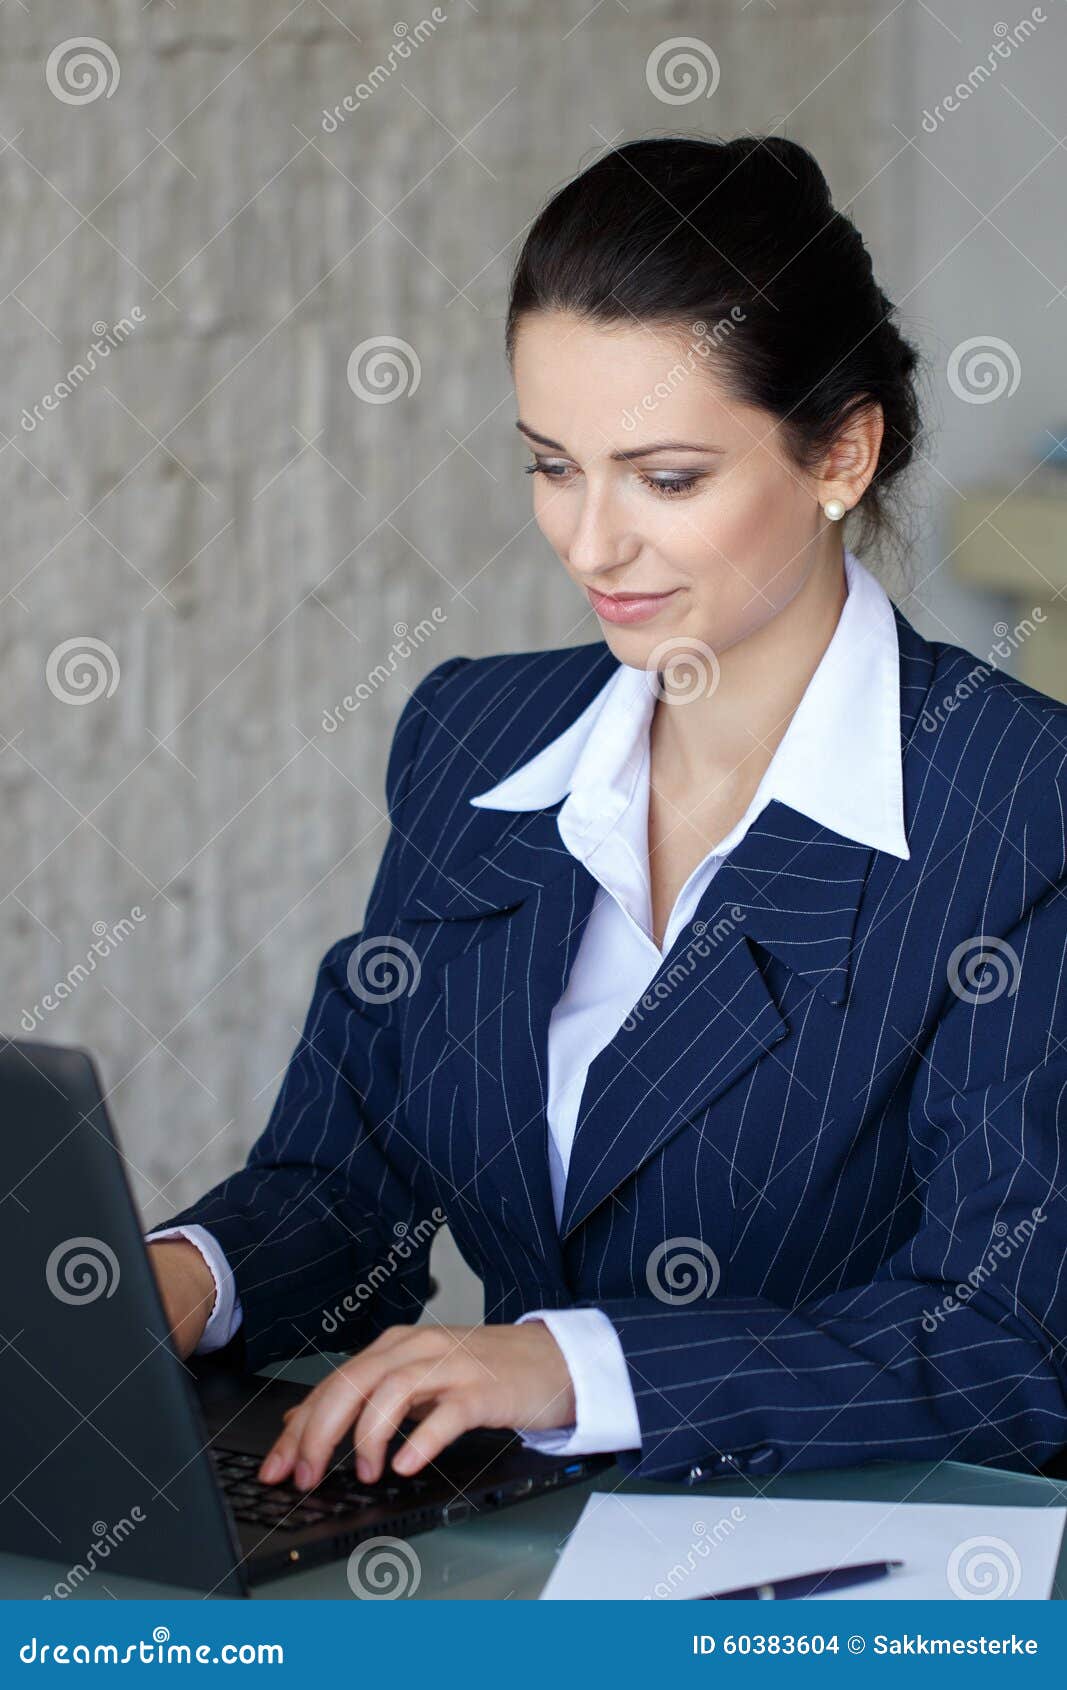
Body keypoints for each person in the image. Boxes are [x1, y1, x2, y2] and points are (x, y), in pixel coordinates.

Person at [148, 134, 1067, 1496]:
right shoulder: (477, 739)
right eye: (550, 464)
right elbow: (350, 1184)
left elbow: (1007, 1345)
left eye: (667, 477)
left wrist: (575, 1366)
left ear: (843, 454)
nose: (589, 542)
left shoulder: (1014, 806)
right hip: (502, 1546)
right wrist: (167, 1284)